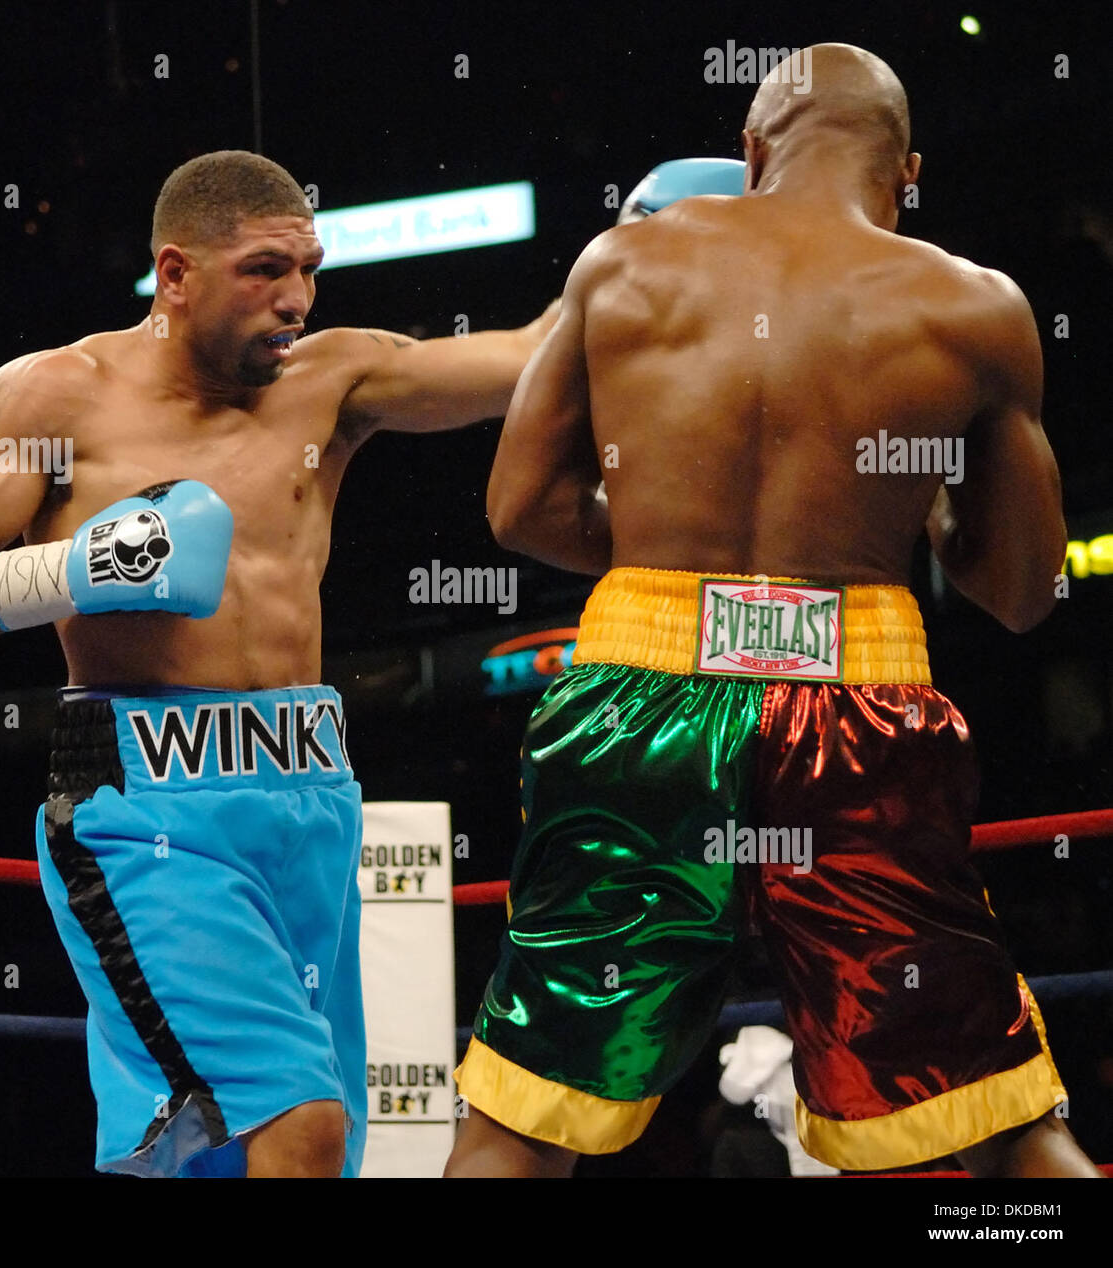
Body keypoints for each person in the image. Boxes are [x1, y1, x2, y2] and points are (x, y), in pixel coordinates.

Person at [447, 45, 1102, 1178]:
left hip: (634, 699)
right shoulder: (974, 306)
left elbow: (519, 505)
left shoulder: (618, 264)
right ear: (906, 172)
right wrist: (929, 516)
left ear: (748, 155)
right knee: (992, 1122)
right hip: (857, 703)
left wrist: (668, 560)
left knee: (522, 1117)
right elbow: (1022, 590)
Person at [0, 149, 556, 1179]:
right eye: (265, 270)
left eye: (310, 270)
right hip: (147, 808)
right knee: (299, 1124)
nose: (297, 299)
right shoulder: (53, 399)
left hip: (311, 800)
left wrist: (646, 249)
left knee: (238, 1152)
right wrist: (87, 564)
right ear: (177, 274)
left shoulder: (336, 380)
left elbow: (532, 357)